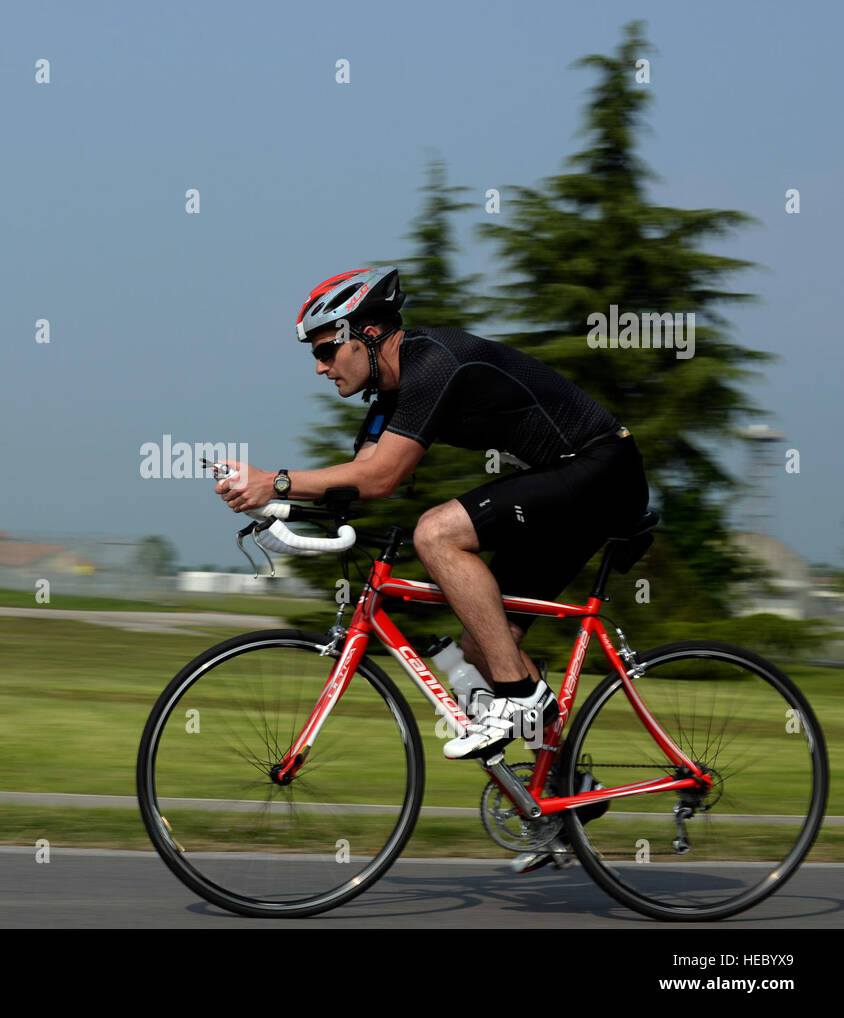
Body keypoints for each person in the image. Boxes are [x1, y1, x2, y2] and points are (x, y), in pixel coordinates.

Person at [215, 266, 650, 766]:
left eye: (324, 350)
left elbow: (382, 477)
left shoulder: (433, 364)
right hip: (569, 487)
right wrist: (278, 503)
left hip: (601, 470)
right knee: (485, 640)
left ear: (368, 334)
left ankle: (521, 700)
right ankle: (564, 787)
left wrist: (276, 479)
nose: (319, 367)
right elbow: (360, 476)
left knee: (437, 533)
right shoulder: (390, 393)